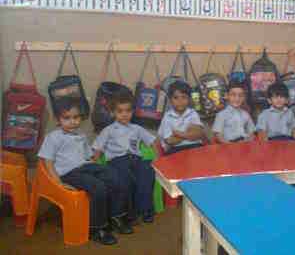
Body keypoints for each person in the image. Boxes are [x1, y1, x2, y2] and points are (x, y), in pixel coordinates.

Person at [38, 96, 132, 246]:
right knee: (98, 188)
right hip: (69, 173)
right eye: (67, 118)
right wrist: (58, 182)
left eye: (76, 117)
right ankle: (96, 228)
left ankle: (116, 216)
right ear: (58, 119)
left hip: (86, 166)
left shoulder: (81, 134)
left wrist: (100, 160)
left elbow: (89, 156)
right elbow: (47, 161)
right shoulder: (53, 137)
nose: (72, 121)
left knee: (114, 176)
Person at [92, 89, 157, 224]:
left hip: (136, 159)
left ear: (132, 111)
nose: (124, 115)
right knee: (124, 178)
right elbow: (97, 148)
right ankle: (128, 213)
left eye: (128, 111)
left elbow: (152, 142)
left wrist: (159, 159)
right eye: (120, 111)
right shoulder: (108, 130)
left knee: (148, 171)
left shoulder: (136, 128)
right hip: (117, 161)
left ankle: (145, 210)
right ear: (113, 113)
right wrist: (96, 164)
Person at [158, 80, 203, 154]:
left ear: (189, 99)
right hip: (176, 148)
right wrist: (190, 134)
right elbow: (170, 140)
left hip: (195, 146)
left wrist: (179, 134)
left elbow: (198, 134)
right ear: (170, 100)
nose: (180, 101)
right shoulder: (167, 117)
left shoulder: (193, 113)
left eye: (184, 97)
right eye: (176, 98)